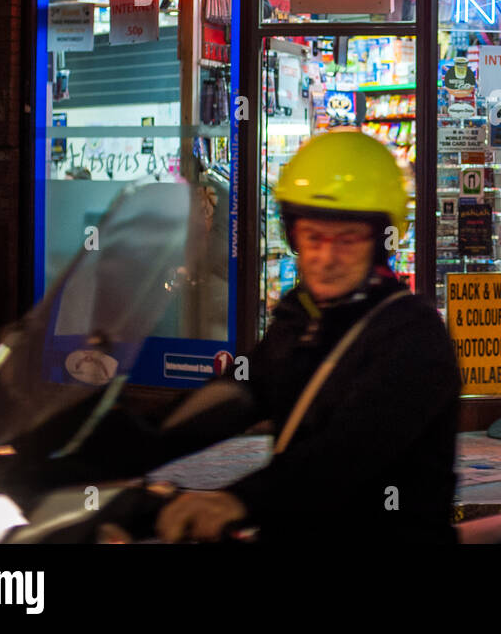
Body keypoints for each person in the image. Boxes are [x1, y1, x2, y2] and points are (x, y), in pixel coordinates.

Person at [156, 130, 460, 544]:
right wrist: (125, 445)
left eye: (347, 239)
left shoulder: (413, 336)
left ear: (379, 241)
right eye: (313, 236)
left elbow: (344, 456)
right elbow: (234, 397)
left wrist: (236, 501)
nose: (326, 257)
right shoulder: (301, 318)